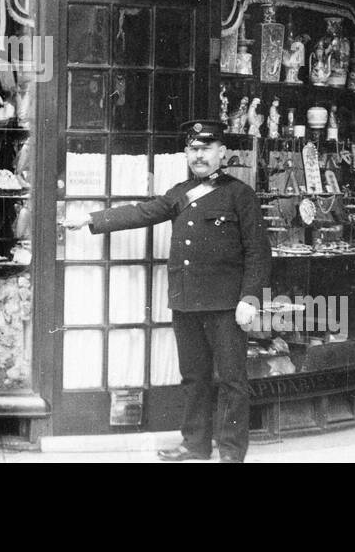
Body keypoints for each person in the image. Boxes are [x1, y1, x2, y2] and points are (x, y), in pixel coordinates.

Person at [61, 120, 271, 462]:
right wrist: (90, 219)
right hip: (186, 302)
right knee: (193, 377)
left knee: (233, 381)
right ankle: (195, 445)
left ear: (222, 152)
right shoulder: (181, 192)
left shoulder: (240, 195)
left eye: (206, 148)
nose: (199, 155)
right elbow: (143, 212)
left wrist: (250, 298)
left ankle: (232, 452)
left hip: (226, 306)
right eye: (193, 149)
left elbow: (259, 252)